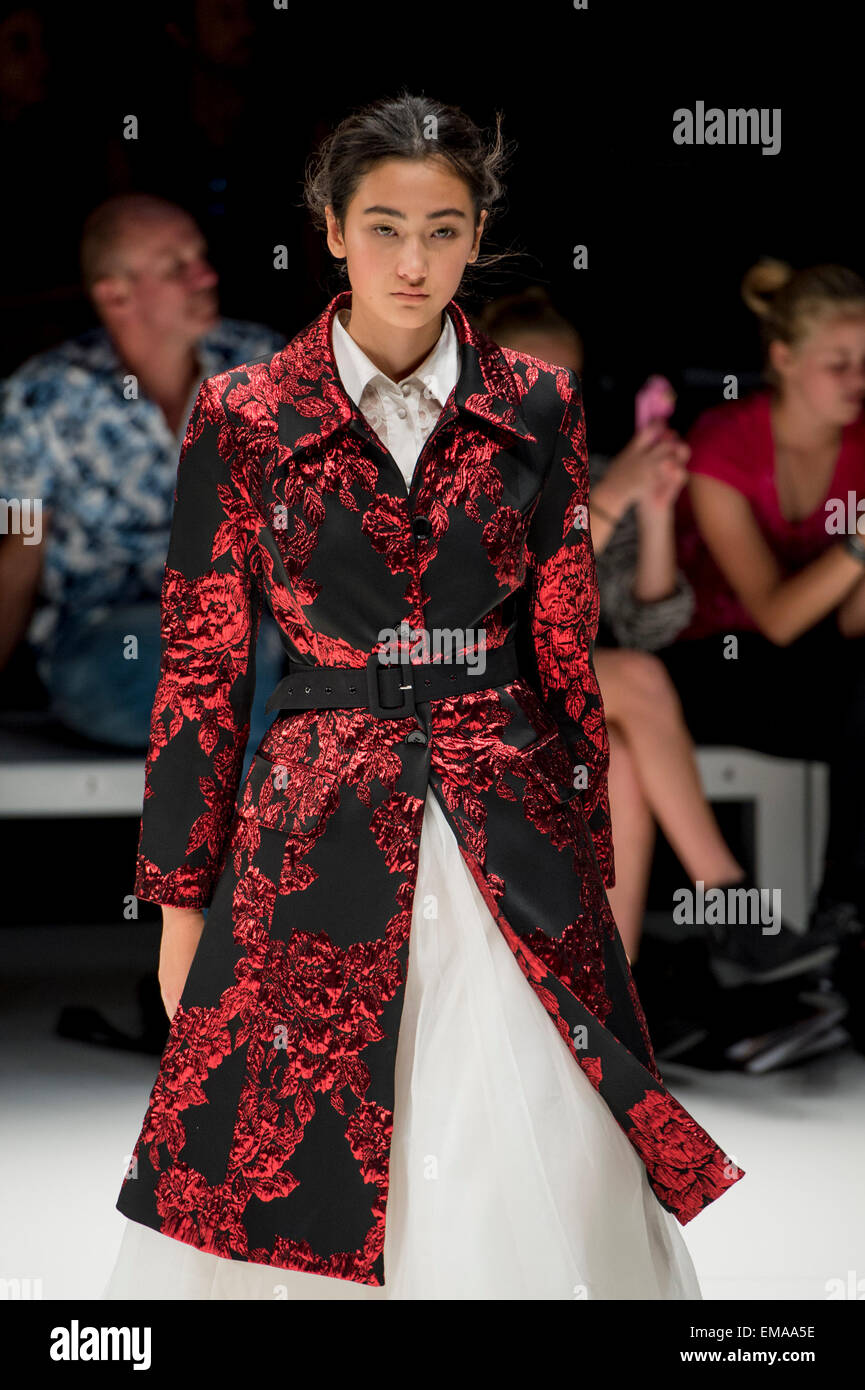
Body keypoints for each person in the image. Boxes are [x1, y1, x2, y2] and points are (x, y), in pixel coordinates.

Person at [103, 92, 742, 1302]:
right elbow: (198, 667)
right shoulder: (245, 414)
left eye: (443, 229)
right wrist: (179, 901)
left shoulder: (537, 405)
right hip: (316, 809)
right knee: (295, 1140)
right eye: (385, 226)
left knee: (530, 1137)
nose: (414, 260)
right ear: (330, 229)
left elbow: (563, 656)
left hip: (503, 800)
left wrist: (591, 873)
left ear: (478, 231)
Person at [477, 288, 848, 1004]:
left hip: (574, 690)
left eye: (566, 380)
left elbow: (648, 622)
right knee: (637, 681)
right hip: (468, 681)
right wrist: (611, 501)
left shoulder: (593, 467)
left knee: (622, 747)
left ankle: (609, 1001)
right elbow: (492, 602)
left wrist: (648, 512)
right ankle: (729, 904)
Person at [0, 193, 287, 775]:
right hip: (104, 648)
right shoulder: (41, 398)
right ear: (116, 294)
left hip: (256, 644)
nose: (205, 274)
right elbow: (18, 553)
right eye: (175, 266)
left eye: (200, 257)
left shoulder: (261, 365)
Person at [656, 259, 865, 945]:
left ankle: (837, 920)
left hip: (817, 663)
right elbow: (774, 616)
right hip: (715, 660)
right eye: (839, 363)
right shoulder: (726, 440)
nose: (858, 381)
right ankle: (826, 922)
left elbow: (848, 619)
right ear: (782, 357)